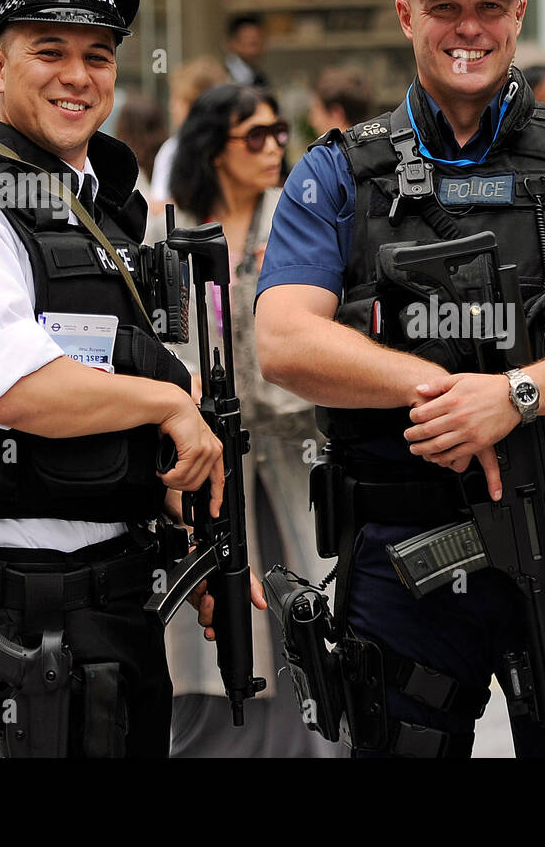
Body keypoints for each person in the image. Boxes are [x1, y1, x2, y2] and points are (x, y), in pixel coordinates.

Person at [250, 0, 545, 758]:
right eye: (445, 7)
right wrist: (444, 398)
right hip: (402, 549)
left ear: (518, 15)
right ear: (406, 16)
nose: (469, 28)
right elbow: (283, 342)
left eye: (490, 5)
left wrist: (517, 397)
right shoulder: (339, 171)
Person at [0, 0, 259, 758]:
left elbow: (119, 369)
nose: (76, 75)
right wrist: (172, 404)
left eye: (97, 56)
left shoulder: (106, 207)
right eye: (47, 52)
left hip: (121, 592)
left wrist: (190, 526)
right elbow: (22, 391)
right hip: (31, 608)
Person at [162, 84, 335, 757]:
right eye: (254, 137)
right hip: (209, 458)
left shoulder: (298, 218)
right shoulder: (170, 228)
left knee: (304, 599)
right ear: (214, 149)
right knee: (218, 620)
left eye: (278, 134)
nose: (272, 149)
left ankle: (316, 742)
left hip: (294, 453)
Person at [145, 56, 229, 238]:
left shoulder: (228, 145)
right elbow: (159, 207)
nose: (170, 107)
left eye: (177, 99)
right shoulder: (172, 149)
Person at [308, 67, 373, 138]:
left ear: (336, 114)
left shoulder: (328, 148)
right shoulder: (380, 146)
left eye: (317, 110)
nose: (312, 121)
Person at [223, 14, 268, 88]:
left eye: (258, 40)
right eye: (250, 41)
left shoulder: (259, 77)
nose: (255, 48)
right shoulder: (223, 77)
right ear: (232, 43)